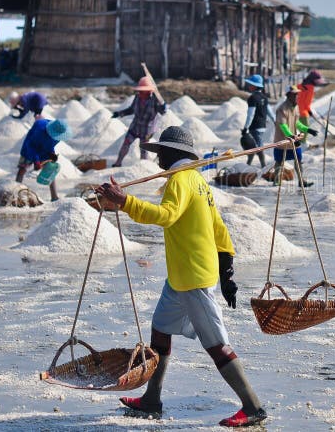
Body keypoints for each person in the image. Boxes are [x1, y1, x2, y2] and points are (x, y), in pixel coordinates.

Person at [95, 126, 267, 428]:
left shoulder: (180, 180)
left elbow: (166, 216)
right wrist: (226, 272)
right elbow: (219, 229)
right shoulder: (198, 181)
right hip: (180, 277)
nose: (157, 156)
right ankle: (152, 399)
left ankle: (253, 406)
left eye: (160, 151)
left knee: (215, 345)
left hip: (193, 277)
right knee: (160, 331)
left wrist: (125, 202)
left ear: (173, 153)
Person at [112, 76, 167, 167]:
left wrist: (163, 106)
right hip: (135, 126)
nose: (140, 92)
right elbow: (131, 109)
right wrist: (119, 114)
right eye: (140, 90)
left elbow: (163, 112)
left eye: (143, 90)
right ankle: (118, 163)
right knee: (126, 143)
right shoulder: (137, 97)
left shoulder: (155, 100)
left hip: (147, 129)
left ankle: (143, 167)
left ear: (149, 90)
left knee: (143, 149)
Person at [16, 118, 71, 202]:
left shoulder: (58, 134)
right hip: (30, 149)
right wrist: (36, 161)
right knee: (22, 169)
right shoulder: (39, 130)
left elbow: (50, 145)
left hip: (45, 151)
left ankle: (54, 197)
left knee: (50, 169)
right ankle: (16, 192)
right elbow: (31, 146)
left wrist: (52, 154)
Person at [272, 85, 316, 187]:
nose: (297, 96)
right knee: (279, 161)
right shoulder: (282, 109)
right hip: (282, 140)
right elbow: (282, 126)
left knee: (299, 160)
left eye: (297, 94)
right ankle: (277, 181)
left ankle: (301, 181)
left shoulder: (295, 107)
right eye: (294, 94)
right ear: (288, 95)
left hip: (293, 140)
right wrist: (291, 137)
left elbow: (297, 123)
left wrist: (307, 129)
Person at [240, 74, 275, 167]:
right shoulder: (264, 98)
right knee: (254, 146)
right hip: (262, 126)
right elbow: (270, 113)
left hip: (255, 127)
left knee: (259, 147)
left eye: (250, 84)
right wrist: (276, 122)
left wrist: (245, 128)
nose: (249, 86)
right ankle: (248, 164)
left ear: (255, 86)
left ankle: (263, 166)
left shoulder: (252, 98)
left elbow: (250, 115)